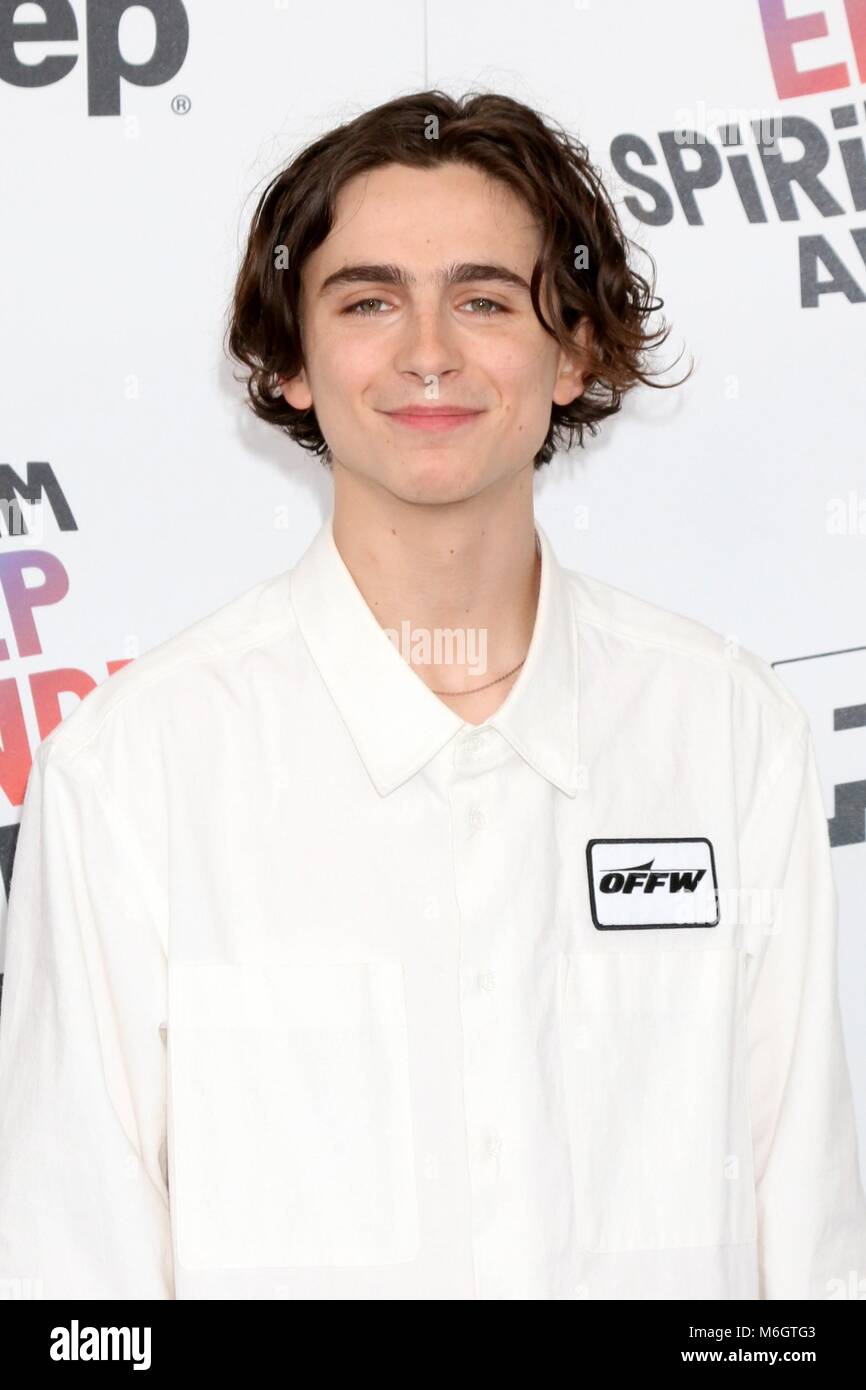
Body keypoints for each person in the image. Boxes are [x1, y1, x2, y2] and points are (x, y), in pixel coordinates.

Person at [0, 89, 864, 1301]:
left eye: (482, 298)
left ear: (571, 351)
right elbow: (70, 1280)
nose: (427, 353)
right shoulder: (129, 772)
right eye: (366, 300)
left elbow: (811, 1248)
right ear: (290, 363)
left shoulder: (728, 735)